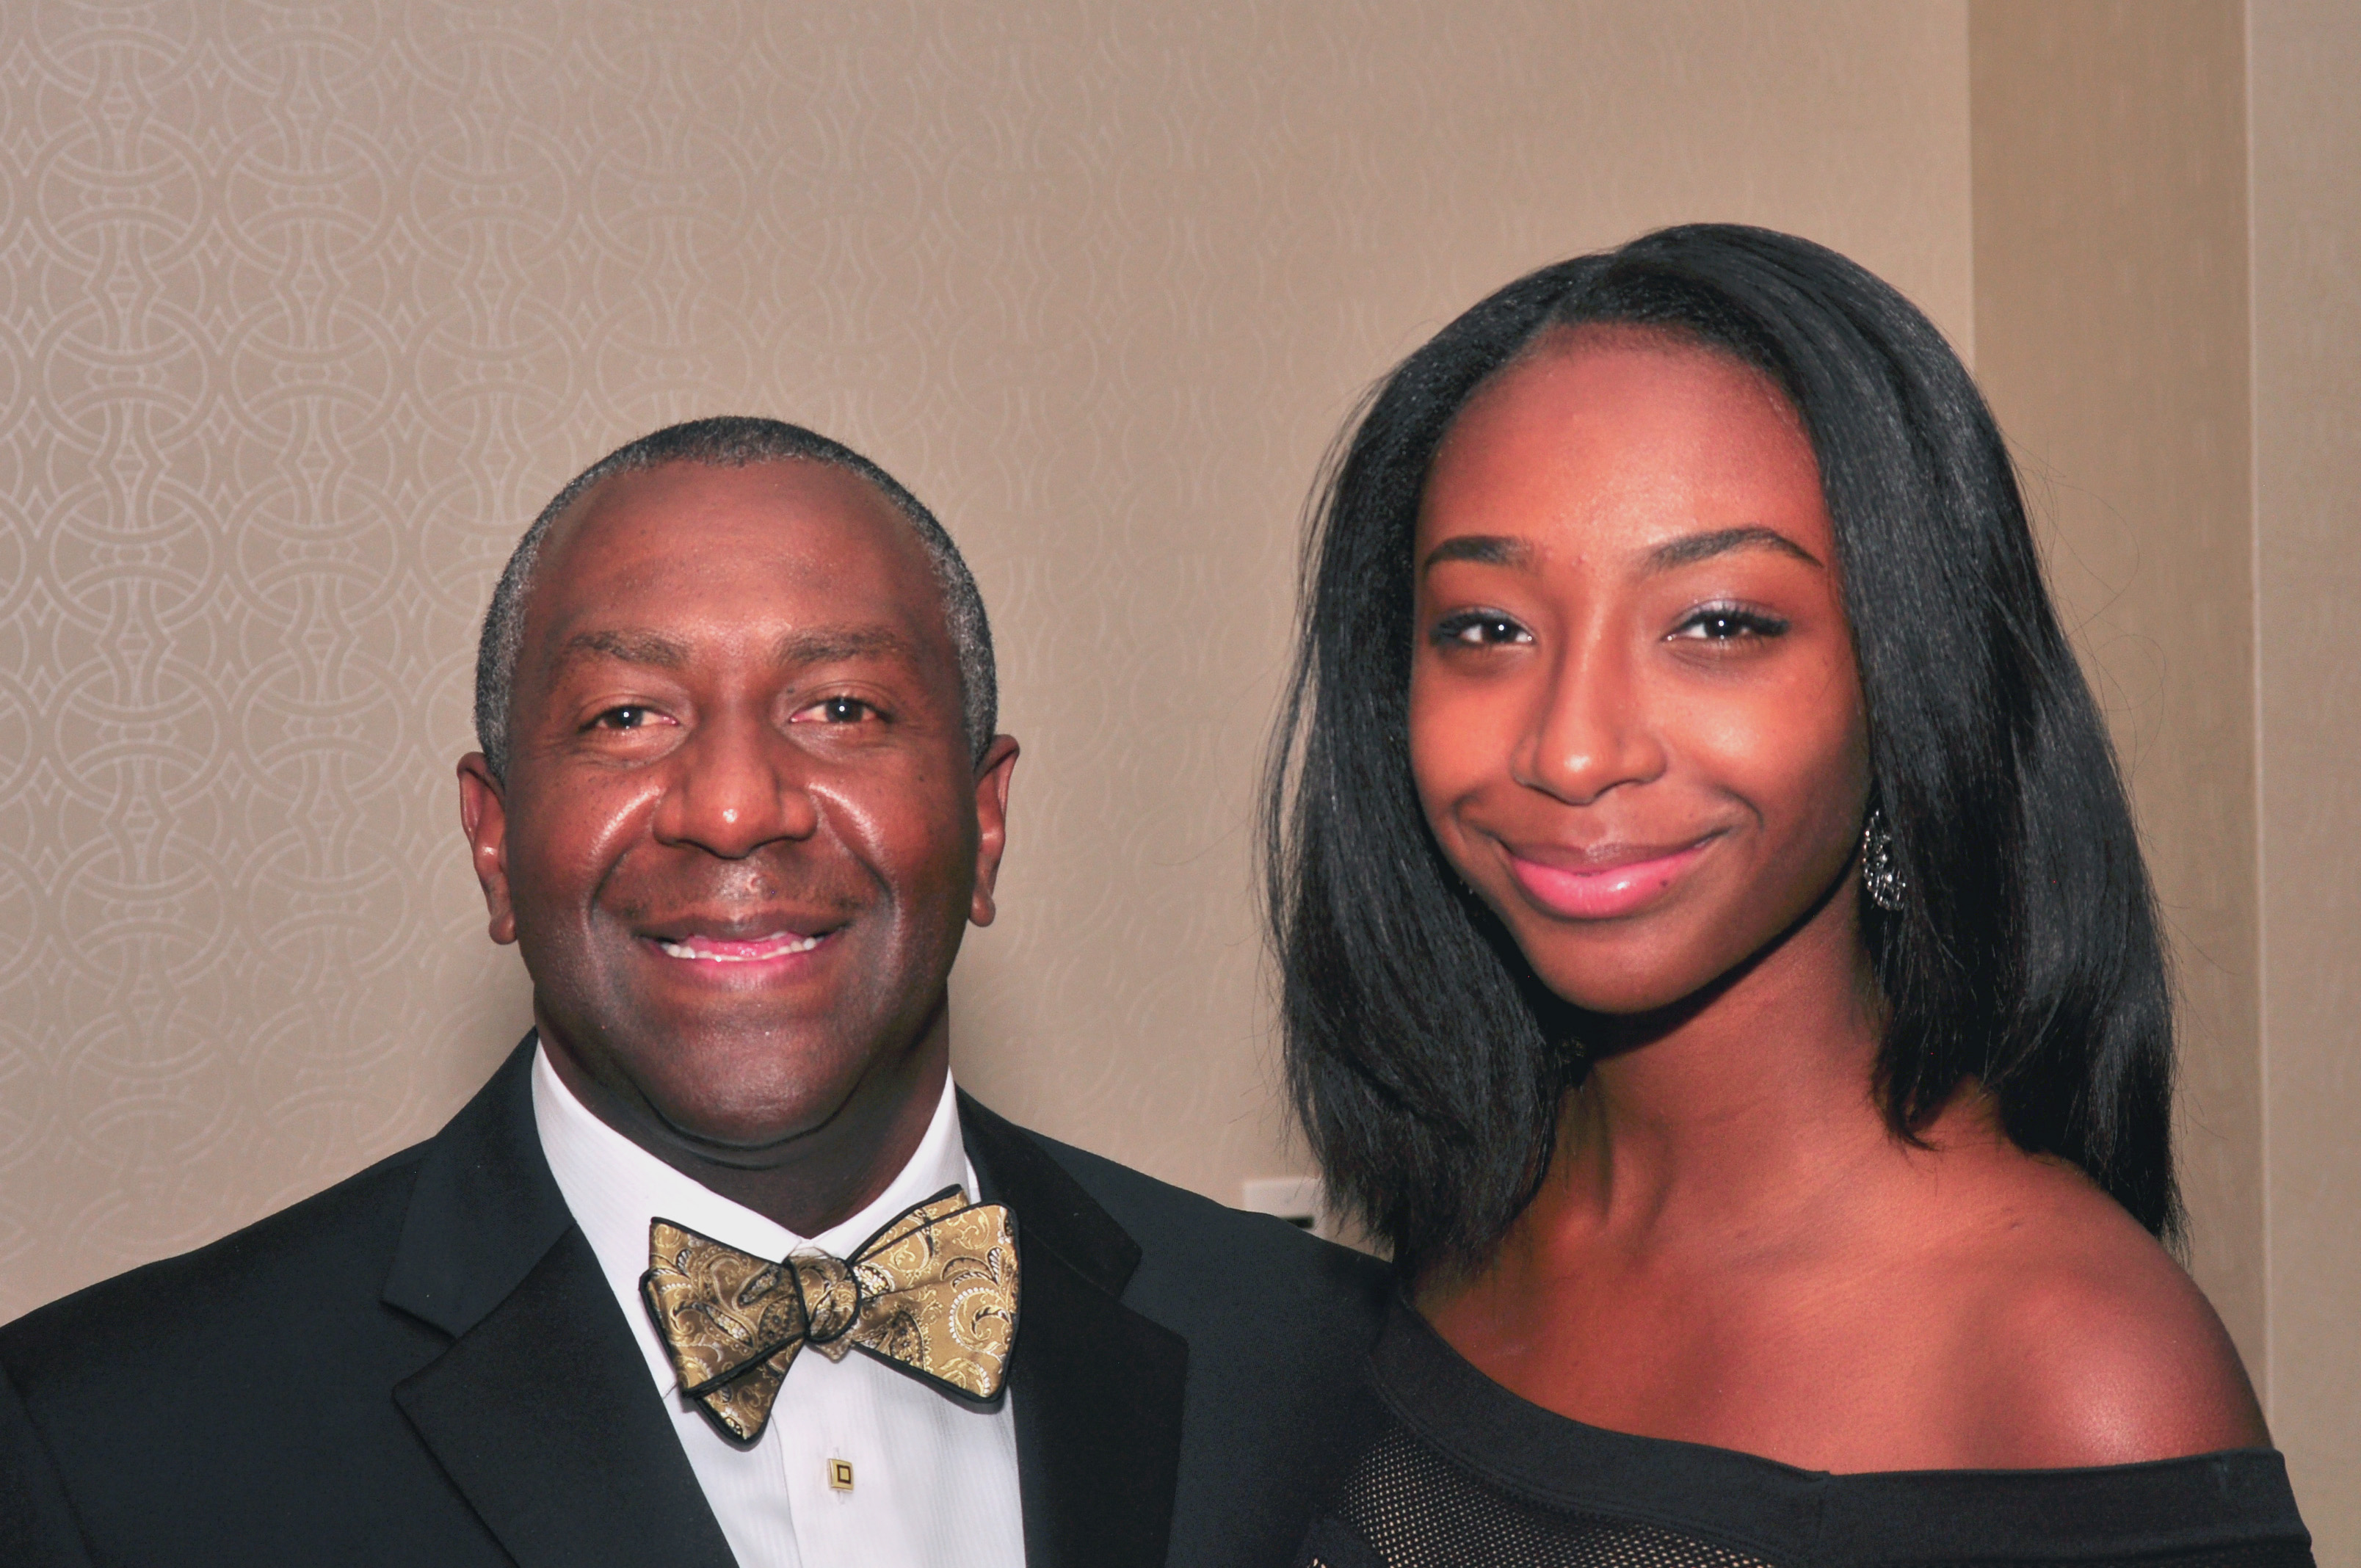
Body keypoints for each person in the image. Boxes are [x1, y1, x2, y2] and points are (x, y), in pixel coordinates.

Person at [0, 417, 1388, 1567]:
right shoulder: (106, 1449)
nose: (733, 808)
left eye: (840, 707)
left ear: (985, 818)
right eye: (627, 718)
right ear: (494, 842)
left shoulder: (1341, 1371)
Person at [1263, 227, 2313, 1564]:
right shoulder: (1452, 1222)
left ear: (1907, 686)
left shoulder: (2073, 1368)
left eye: (1717, 625)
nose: (1574, 748)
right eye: (1488, 628)